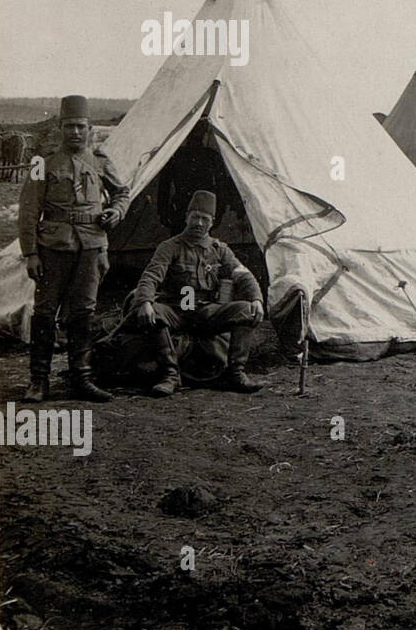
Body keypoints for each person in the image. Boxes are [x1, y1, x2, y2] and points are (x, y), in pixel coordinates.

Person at [19, 95, 130, 403]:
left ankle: (81, 377)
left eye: (81, 126)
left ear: (90, 128)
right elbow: (28, 211)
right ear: (60, 127)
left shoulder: (100, 161)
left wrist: (117, 212)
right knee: (44, 313)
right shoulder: (44, 164)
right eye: (69, 126)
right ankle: (38, 381)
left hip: (92, 246)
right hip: (53, 247)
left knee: (84, 312)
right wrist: (30, 253)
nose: (75, 133)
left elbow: (122, 192)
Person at [133, 190, 264, 396]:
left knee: (247, 310)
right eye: (195, 217)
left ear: (212, 222)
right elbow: (151, 275)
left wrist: (256, 299)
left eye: (205, 219)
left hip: (207, 312)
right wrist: (145, 302)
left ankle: (236, 373)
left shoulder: (220, 250)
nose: (199, 223)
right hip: (176, 310)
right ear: (186, 217)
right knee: (156, 313)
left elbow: (242, 274)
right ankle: (171, 375)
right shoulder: (170, 247)